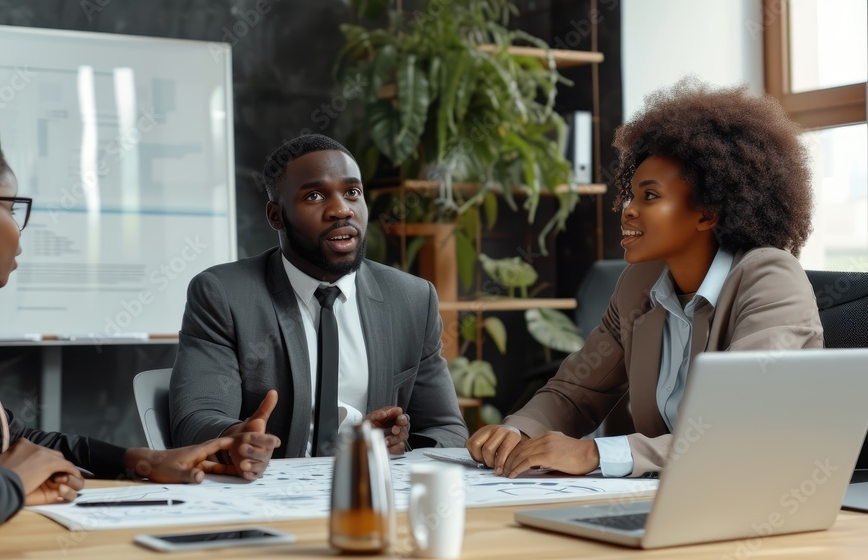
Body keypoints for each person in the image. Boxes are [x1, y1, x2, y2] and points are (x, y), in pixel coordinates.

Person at [0, 89, 281, 534]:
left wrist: (140, 460)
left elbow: (12, 439)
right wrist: (21, 477)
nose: (18, 230)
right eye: (12, 207)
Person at [467, 78, 823, 478]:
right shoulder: (638, 286)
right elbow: (576, 391)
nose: (628, 210)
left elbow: (738, 428)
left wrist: (594, 455)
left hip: (753, 500)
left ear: (707, 213)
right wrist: (517, 432)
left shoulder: (770, 279)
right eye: (631, 195)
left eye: (650, 196)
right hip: (665, 499)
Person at [169, 134, 468, 461]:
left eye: (352, 192)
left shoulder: (411, 299)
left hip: (369, 497)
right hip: (269, 495)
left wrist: (401, 446)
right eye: (314, 195)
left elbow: (447, 431)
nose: (341, 209)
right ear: (275, 216)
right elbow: (194, 420)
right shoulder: (223, 294)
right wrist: (233, 439)